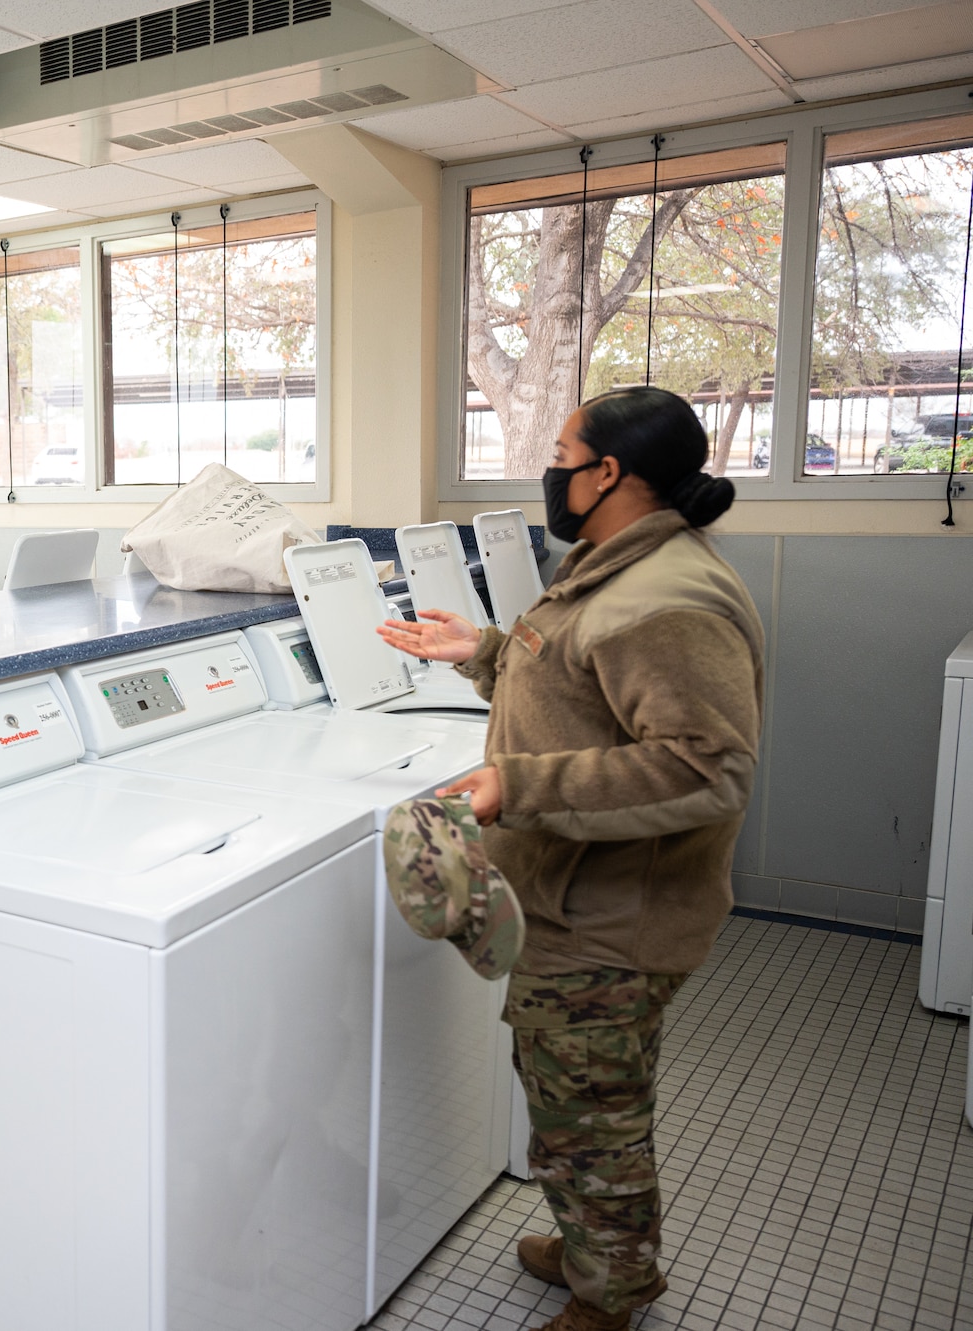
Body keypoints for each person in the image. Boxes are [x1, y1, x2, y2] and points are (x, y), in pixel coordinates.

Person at [378, 386, 763, 1331]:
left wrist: (522, 786)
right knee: (571, 1095)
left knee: (594, 1119)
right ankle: (591, 1243)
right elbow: (583, 684)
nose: (548, 470)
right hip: (571, 900)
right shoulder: (618, 565)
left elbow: (706, 769)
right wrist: (487, 650)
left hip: (611, 918)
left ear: (608, 473)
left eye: (560, 452)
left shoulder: (663, 599)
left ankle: (612, 1294)